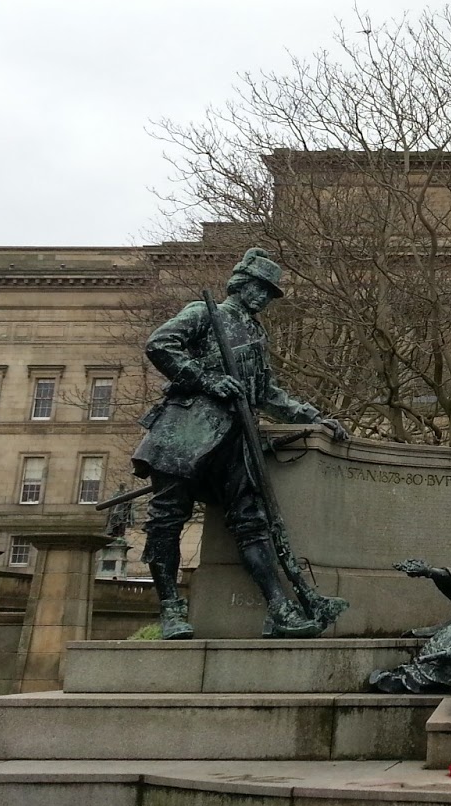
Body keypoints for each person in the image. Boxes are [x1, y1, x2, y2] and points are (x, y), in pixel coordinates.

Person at [131, 248, 350, 640]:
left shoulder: (254, 332)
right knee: (166, 520)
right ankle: (171, 610)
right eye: (261, 289)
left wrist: (311, 416)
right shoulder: (203, 313)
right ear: (242, 283)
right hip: (184, 432)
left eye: (270, 292)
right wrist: (205, 379)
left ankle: (280, 610)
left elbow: (265, 391)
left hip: (236, 439)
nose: (265, 298)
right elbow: (160, 344)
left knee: (253, 525)